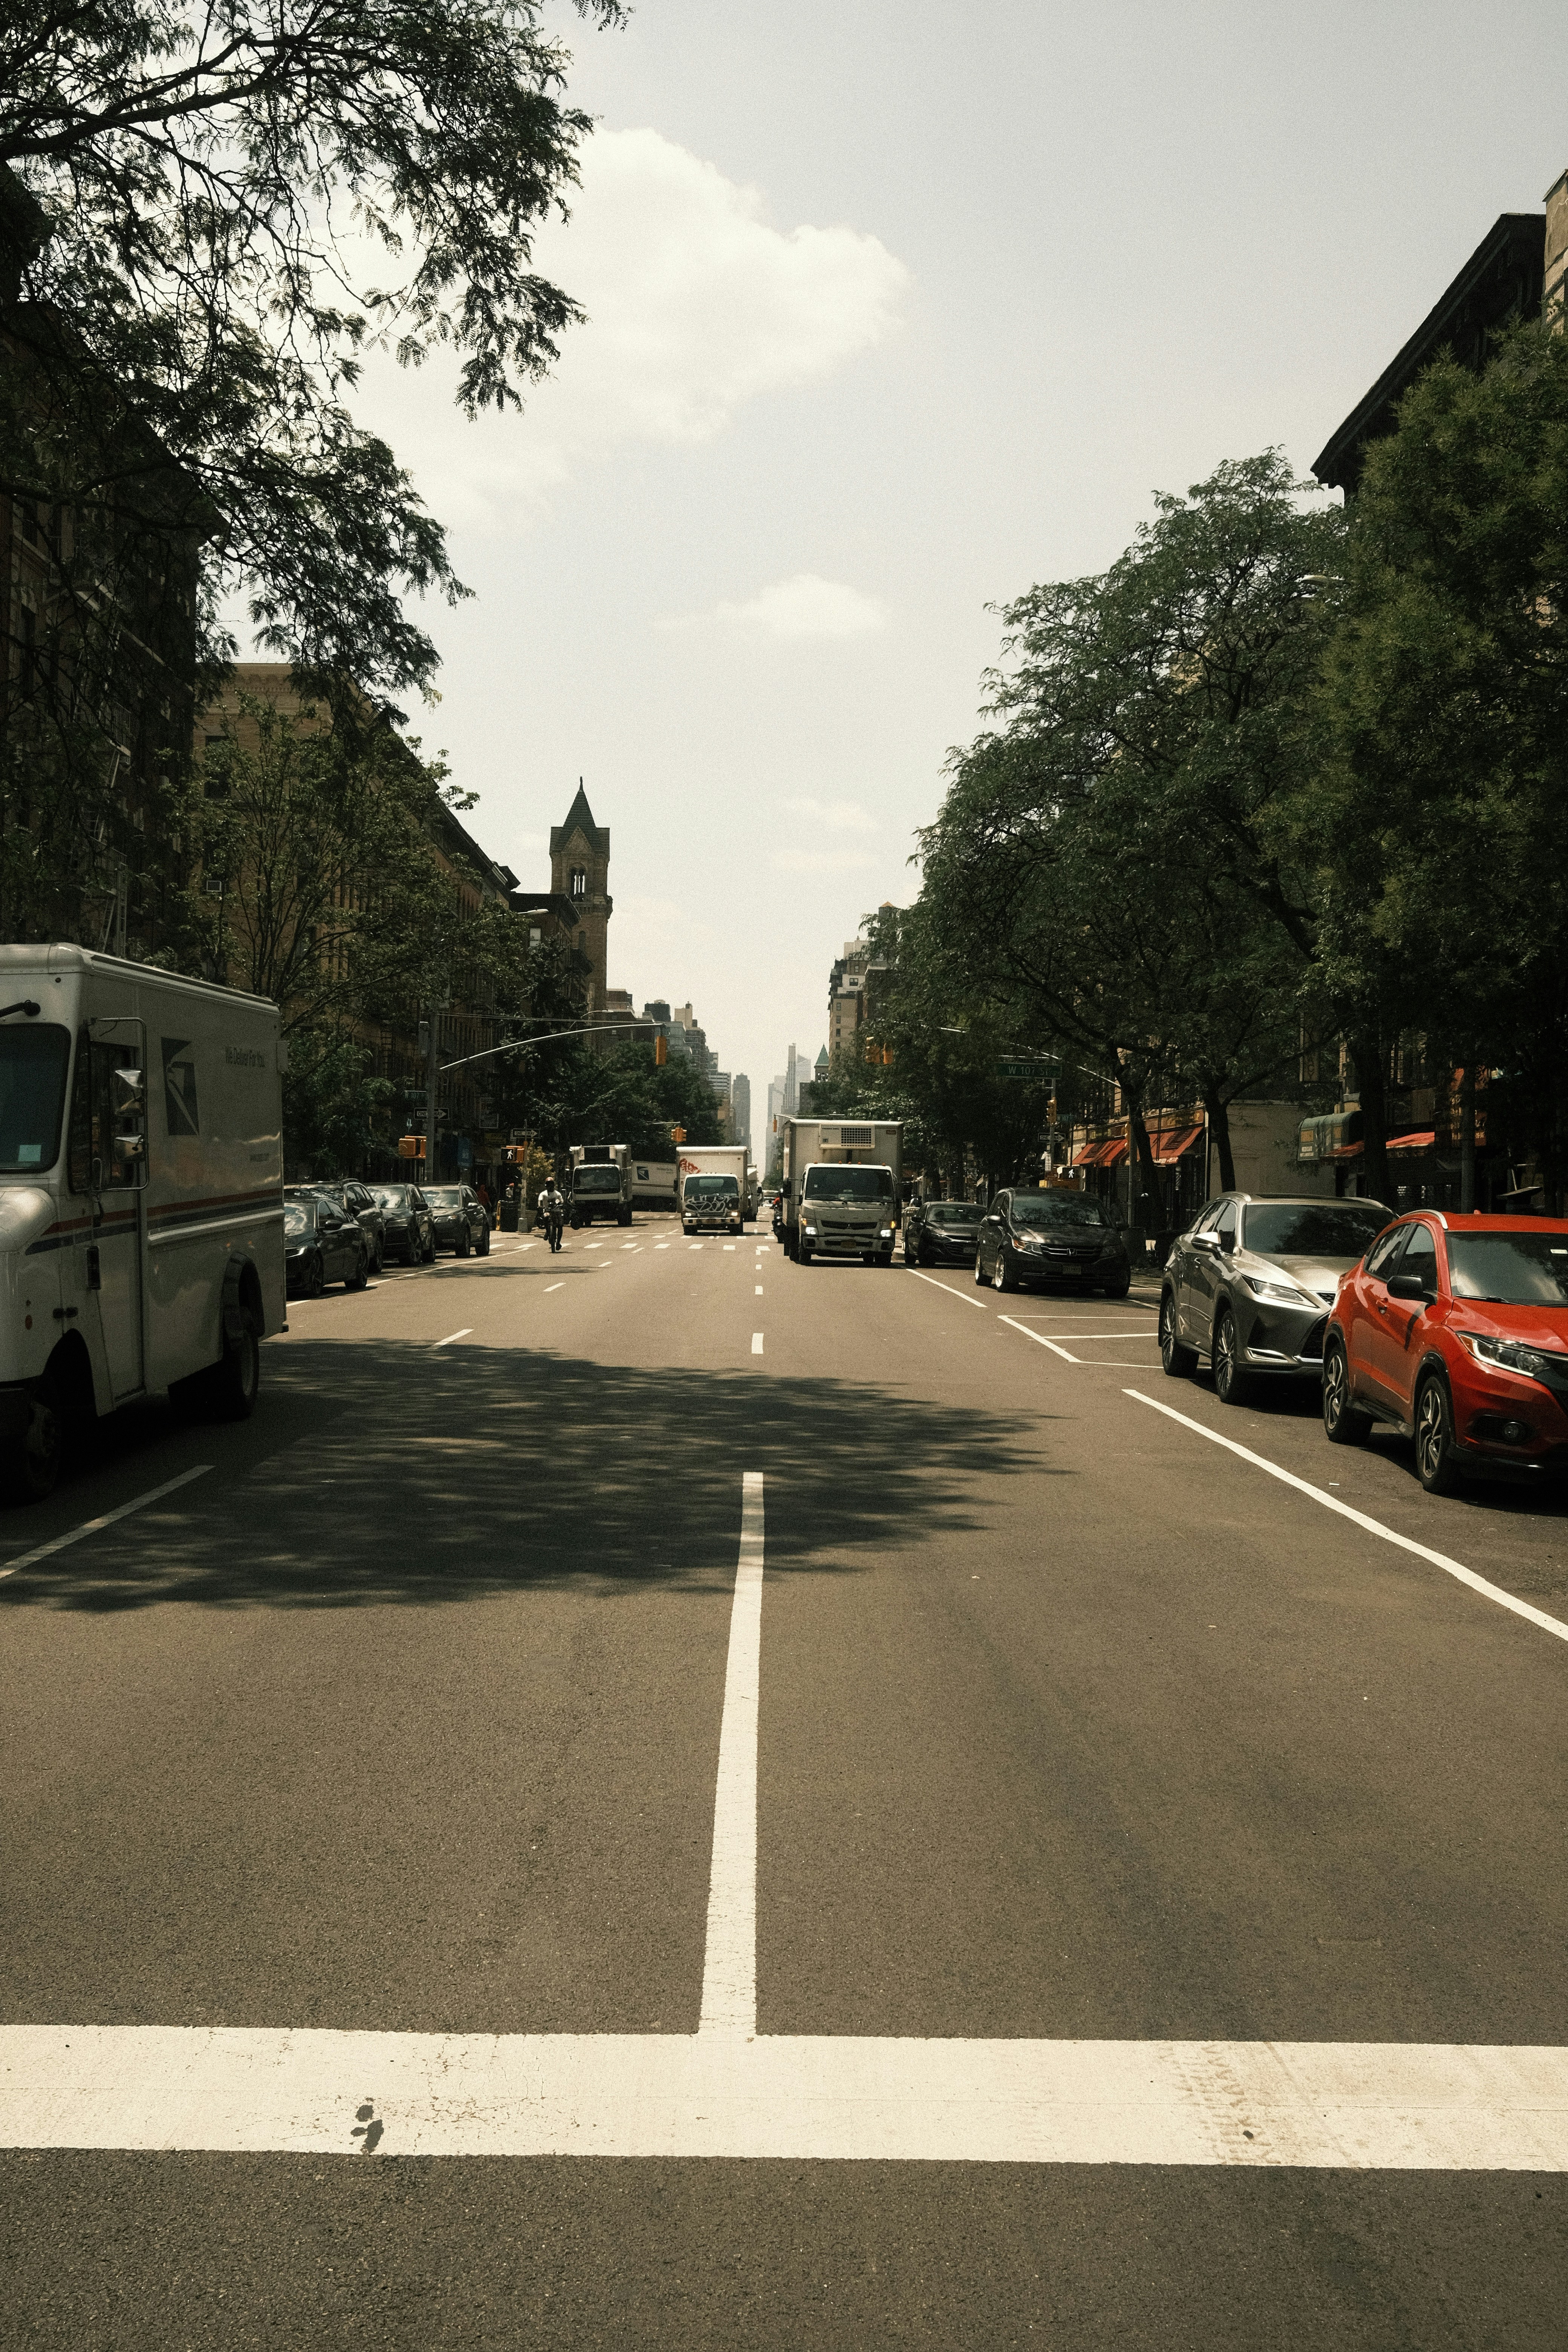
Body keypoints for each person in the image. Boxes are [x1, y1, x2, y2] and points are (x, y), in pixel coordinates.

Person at [537, 1178, 566, 1252]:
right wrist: (540, 1206)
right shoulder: (543, 1194)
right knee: (546, 1217)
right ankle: (548, 1232)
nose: (549, 1187)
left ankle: (559, 1243)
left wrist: (561, 1204)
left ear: (553, 1186)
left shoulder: (558, 1194)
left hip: (556, 1211)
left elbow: (561, 1201)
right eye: (547, 1185)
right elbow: (540, 1201)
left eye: (550, 1185)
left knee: (560, 1226)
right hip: (547, 1211)